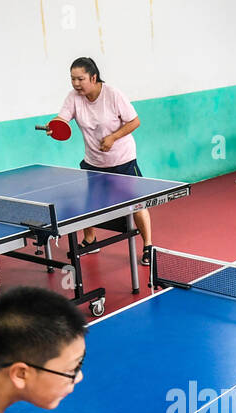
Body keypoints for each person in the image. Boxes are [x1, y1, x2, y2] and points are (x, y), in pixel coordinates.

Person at [51, 57, 156, 264]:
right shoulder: (73, 97)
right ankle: (90, 239)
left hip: (122, 159)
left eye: (80, 79)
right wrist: (55, 125)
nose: (76, 84)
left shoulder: (113, 95)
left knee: (137, 203)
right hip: (93, 161)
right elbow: (62, 118)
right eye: (72, 79)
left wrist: (113, 137)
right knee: (87, 204)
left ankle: (148, 246)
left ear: (93, 77)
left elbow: (135, 121)